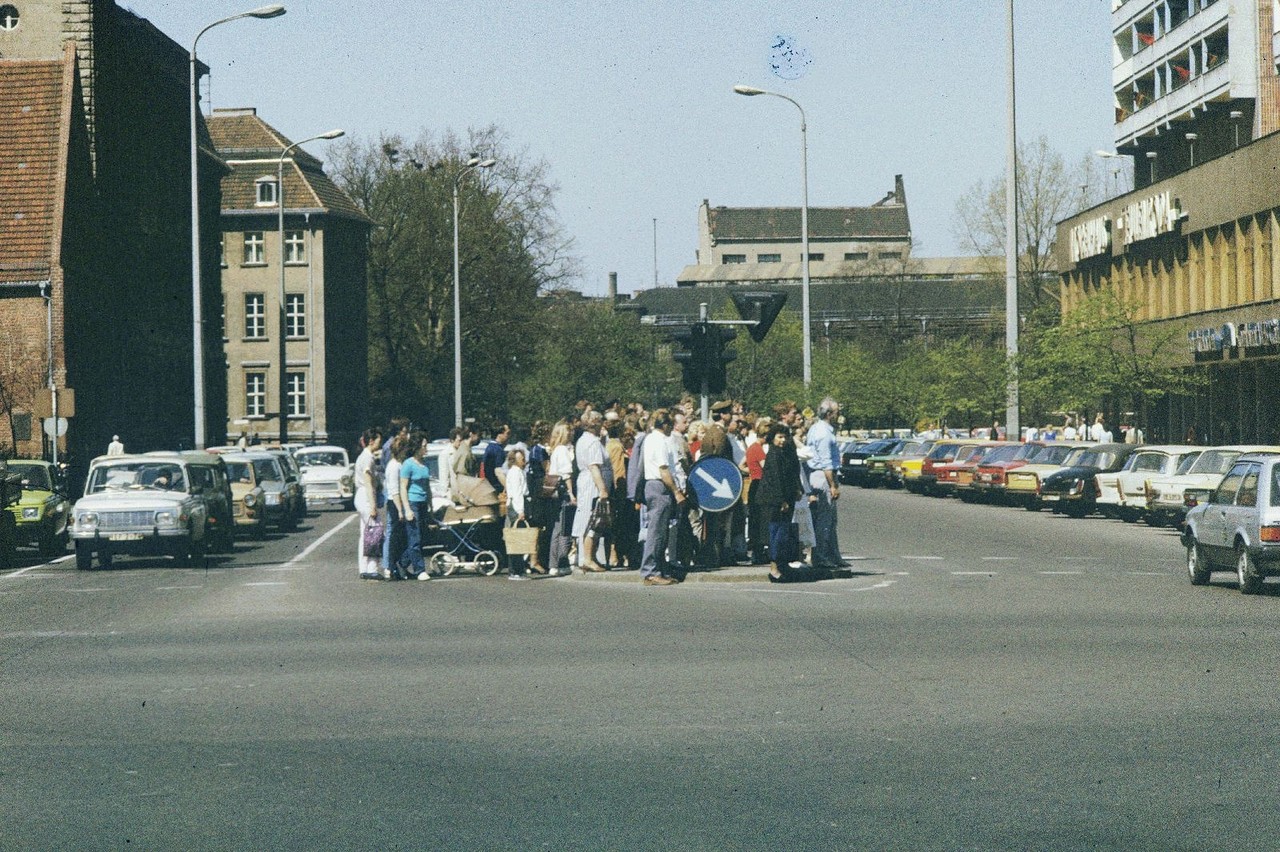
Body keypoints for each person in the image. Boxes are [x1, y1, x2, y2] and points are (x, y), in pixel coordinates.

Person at [639, 409, 684, 586]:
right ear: (664, 425)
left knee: (661, 531)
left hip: (656, 486)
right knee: (657, 531)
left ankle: (658, 568)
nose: (671, 428)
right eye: (670, 425)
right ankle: (650, 571)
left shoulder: (652, 439)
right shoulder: (658, 441)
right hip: (659, 486)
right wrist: (676, 492)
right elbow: (664, 470)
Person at [759, 423, 803, 582]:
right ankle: (774, 569)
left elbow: (792, 473)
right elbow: (775, 479)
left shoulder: (785, 453)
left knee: (783, 533)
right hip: (774, 500)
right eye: (779, 437)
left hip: (785, 498)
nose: (782, 440)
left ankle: (782, 566)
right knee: (775, 534)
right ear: (772, 438)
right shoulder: (774, 454)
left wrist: (798, 489)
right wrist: (782, 501)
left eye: (785, 437)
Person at [806, 397, 845, 570]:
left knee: (830, 520)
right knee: (825, 520)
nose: (838, 416)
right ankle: (821, 557)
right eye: (837, 412)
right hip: (823, 476)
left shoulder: (816, 428)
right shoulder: (824, 433)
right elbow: (826, 462)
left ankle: (833, 555)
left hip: (819, 474)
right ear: (829, 414)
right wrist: (833, 485)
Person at [572, 410, 609, 572]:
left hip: (586, 481)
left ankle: (590, 556)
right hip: (592, 484)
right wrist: (602, 489)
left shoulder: (583, 440)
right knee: (593, 519)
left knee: (590, 518)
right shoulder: (592, 442)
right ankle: (587, 558)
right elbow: (594, 467)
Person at [397, 433, 433, 580]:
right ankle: (419, 570)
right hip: (413, 502)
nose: (426, 448)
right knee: (415, 536)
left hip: (423, 502)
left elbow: (427, 486)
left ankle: (402, 562)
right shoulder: (408, 464)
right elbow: (403, 487)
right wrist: (407, 509)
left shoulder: (425, 464)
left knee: (423, 536)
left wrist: (430, 504)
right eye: (424, 446)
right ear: (417, 447)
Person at [504, 448, 542, 578]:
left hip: (518, 504)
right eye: (522, 459)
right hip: (517, 506)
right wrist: (520, 511)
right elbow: (517, 493)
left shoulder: (517, 472)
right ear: (515, 460)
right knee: (517, 539)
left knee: (518, 538)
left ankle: (517, 569)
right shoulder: (515, 473)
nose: (524, 461)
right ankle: (515, 570)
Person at [546, 421, 576, 575]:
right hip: (564, 493)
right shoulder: (563, 450)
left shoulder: (555, 450)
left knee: (557, 529)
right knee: (565, 528)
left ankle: (553, 563)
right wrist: (572, 494)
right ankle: (562, 562)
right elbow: (566, 474)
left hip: (555, 494)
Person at [354, 427, 384, 579]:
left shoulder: (364, 456)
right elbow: (368, 482)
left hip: (361, 495)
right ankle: (372, 568)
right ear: (371, 441)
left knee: (365, 533)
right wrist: (373, 505)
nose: (380, 443)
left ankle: (364, 568)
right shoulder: (368, 458)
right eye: (379, 440)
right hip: (366, 495)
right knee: (375, 532)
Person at [382, 436, 411, 580]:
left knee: (401, 538)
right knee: (395, 537)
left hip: (398, 502)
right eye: (405, 448)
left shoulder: (399, 464)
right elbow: (394, 490)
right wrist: (400, 510)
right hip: (395, 503)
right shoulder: (394, 466)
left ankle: (399, 567)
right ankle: (392, 567)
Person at [482, 424, 510, 496]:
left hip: (489, 486)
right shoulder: (498, 450)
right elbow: (499, 472)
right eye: (507, 433)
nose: (509, 436)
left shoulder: (489, 447)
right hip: (497, 488)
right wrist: (509, 489)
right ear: (499, 435)